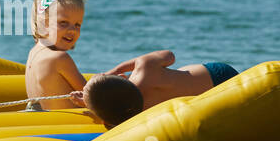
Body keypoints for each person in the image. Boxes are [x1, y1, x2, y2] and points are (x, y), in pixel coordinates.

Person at [81, 50, 241, 128]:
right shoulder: (145, 67)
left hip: (207, 104)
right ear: (121, 77)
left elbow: (108, 107)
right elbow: (169, 56)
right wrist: (113, 71)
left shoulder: (132, 113)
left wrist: (88, 102)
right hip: (220, 76)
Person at [24, 0, 87, 108]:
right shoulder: (59, 58)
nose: (72, 30)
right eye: (63, 23)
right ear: (43, 23)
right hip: (67, 127)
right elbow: (92, 97)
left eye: (77, 25)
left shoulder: (33, 53)